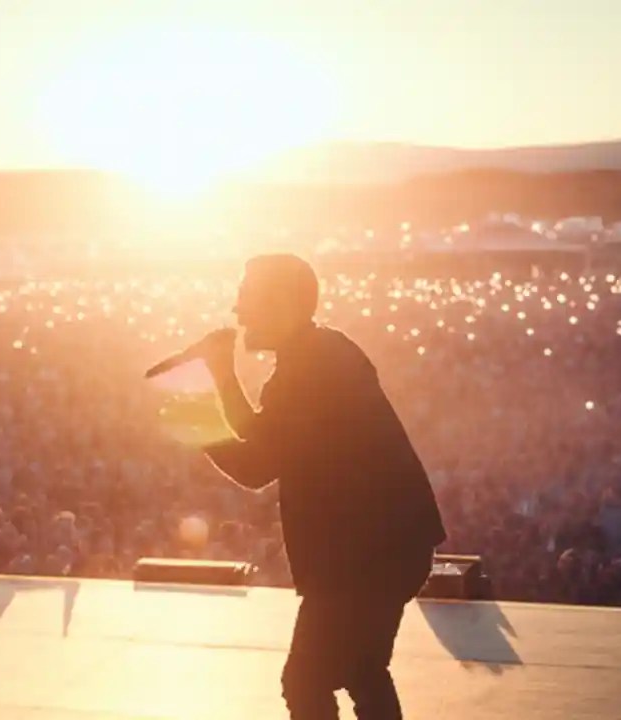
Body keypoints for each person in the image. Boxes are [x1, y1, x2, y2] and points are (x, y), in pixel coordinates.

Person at [183, 254, 447, 719]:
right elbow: (263, 434)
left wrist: (196, 416)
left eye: (245, 297)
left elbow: (256, 464)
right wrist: (222, 374)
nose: (236, 311)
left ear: (279, 302)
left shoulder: (312, 368)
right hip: (385, 547)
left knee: (304, 681)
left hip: (363, 556)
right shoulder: (318, 355)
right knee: (363, 670)